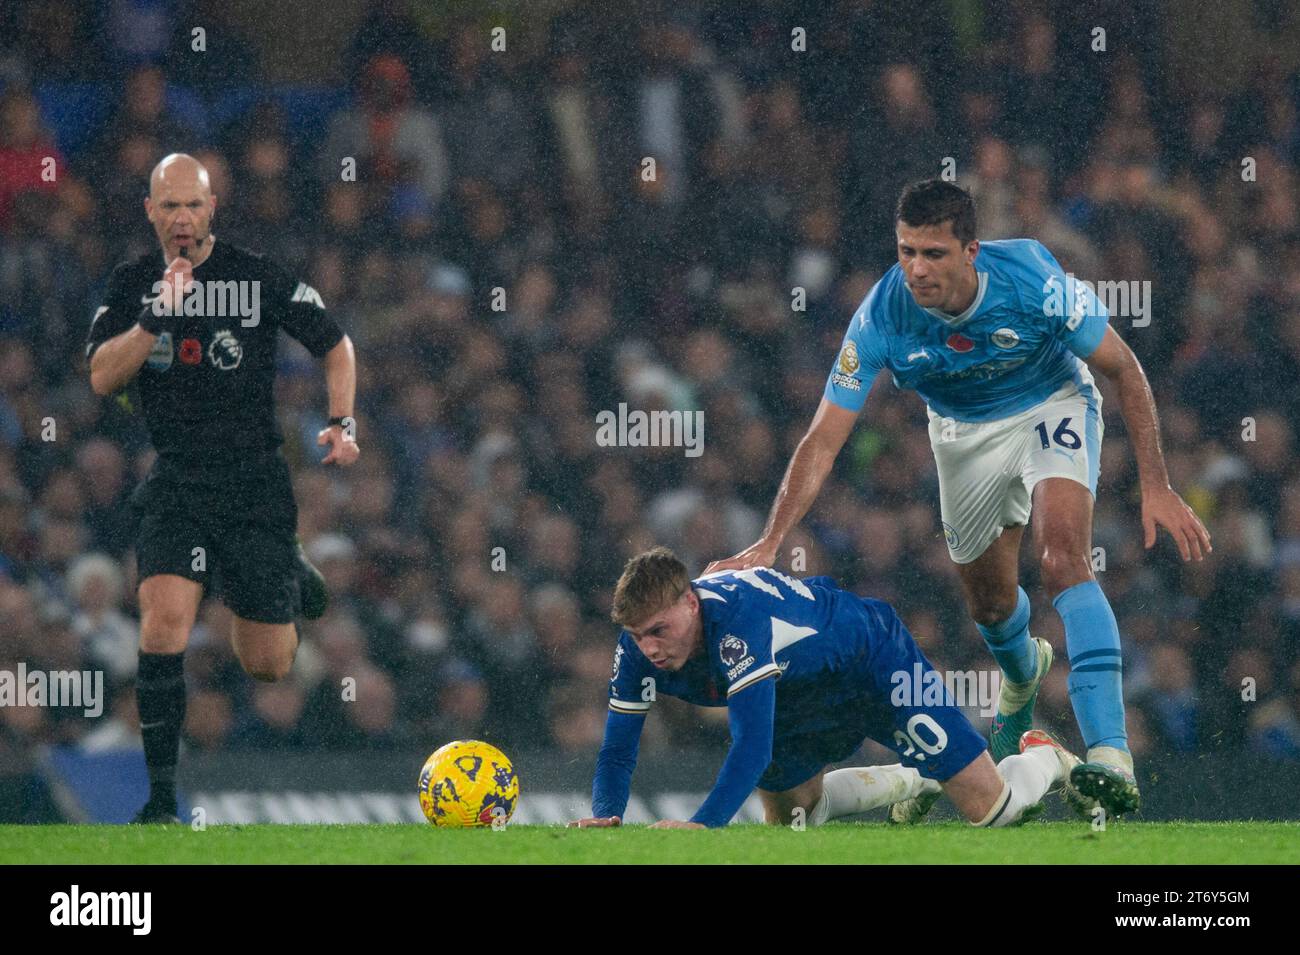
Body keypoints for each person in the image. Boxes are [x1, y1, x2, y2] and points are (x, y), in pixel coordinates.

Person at [706, 179, 1212, 817]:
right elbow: (823, 440)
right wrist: (770, 542)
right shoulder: (882, 314)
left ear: (972, 250)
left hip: (1049, 405)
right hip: (959, 436)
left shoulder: (1032, 278)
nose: (917, 268)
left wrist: (1157, 482)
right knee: (992, 604)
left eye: (935, 254)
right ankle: (1023, 672)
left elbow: (1124, 369)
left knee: (1063, 561)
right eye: (907, 251)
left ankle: (1111, 755)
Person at [86, 153, 360, 822]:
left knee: (267, 663)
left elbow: (335, 342)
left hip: (253, 487)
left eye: (193, 205)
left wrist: (341, 420)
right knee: (162, 625)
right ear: (150, 211)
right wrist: (154, 317)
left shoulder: (255, 274)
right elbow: (100, 376)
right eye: (169, 205)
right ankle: (159, 800)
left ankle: (285, 571)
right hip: (178, 479)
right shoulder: (131, 284)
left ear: (212, 209)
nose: (182, 218)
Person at [569, 547, 1089, 830]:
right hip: (797, 690)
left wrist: (704, 826)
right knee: (794, 822)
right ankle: (917, 779)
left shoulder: (738, 625)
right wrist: (605, 814)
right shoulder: (637, 647)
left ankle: (1044, 756)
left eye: (658, 631)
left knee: (994, 812)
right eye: (638, 636)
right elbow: (618, 747)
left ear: (690, 604)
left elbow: (751, 746)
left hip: (872, 663)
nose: (650, 649)